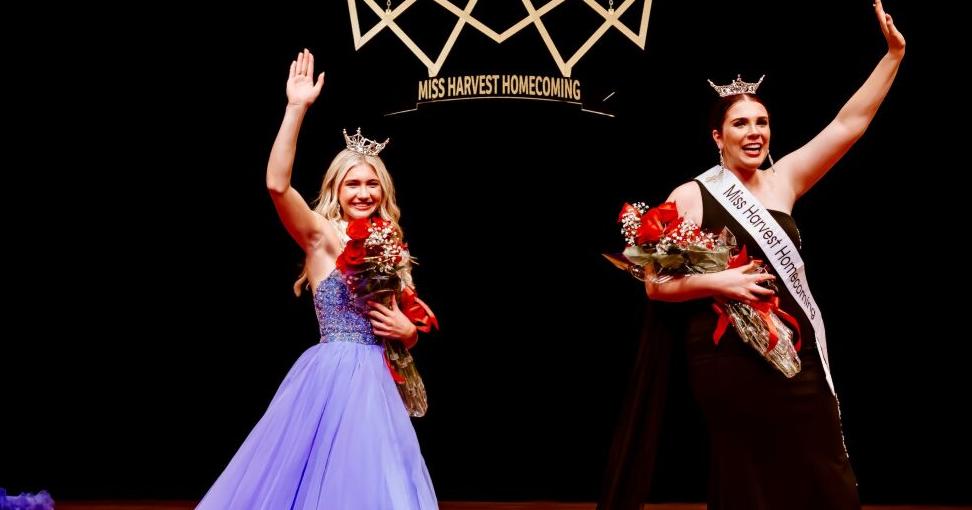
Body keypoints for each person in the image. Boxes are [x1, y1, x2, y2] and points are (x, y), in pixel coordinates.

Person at [599, 2, 905, 509]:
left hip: (796, 351)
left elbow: (848, 124)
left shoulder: (785, 180)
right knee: (751, 483)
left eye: (761, 122)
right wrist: (722, 284)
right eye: (740, 124)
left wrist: (893, 56)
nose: (754, 132)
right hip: (727, 360)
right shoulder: (692, 194)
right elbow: (655, 286)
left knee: (826, 474)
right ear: (718, 137)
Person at [197, 49, 438, 510]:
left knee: (378, 486)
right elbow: (276, 185)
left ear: (383, 192)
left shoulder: (392, 246)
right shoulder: (322, 238)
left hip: (378, 386)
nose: (363, 192)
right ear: (335, 190)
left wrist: (409, 335)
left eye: (372, 184)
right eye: (352, 184)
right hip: (331, 381)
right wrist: (296, 109)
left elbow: (400, 323)